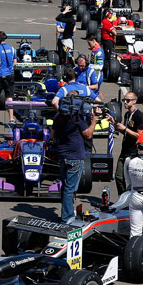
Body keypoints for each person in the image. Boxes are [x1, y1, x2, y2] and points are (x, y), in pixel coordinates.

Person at [52, 92, 96, 223]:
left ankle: (68, 212)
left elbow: (52, 136)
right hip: (75, 157)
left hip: (63, 155)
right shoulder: (76, 117)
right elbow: (88, 134)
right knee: (69, 189)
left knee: (65, 187)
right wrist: (94, 120)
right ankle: (67, 218)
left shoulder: (58, 115)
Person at [115, 93, 143, 196]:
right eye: (124, 100)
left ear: (134, 101)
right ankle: (122, 198)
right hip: (124, 150)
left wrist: (125, 129)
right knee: (118, 177)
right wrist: (116, 126)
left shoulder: (139, 116)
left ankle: (132, 200)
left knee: (133, 180)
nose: (125, 102)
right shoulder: (127, 115)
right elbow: (126, 133)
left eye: (127, 100)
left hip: (133, 152)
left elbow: (140, 136)